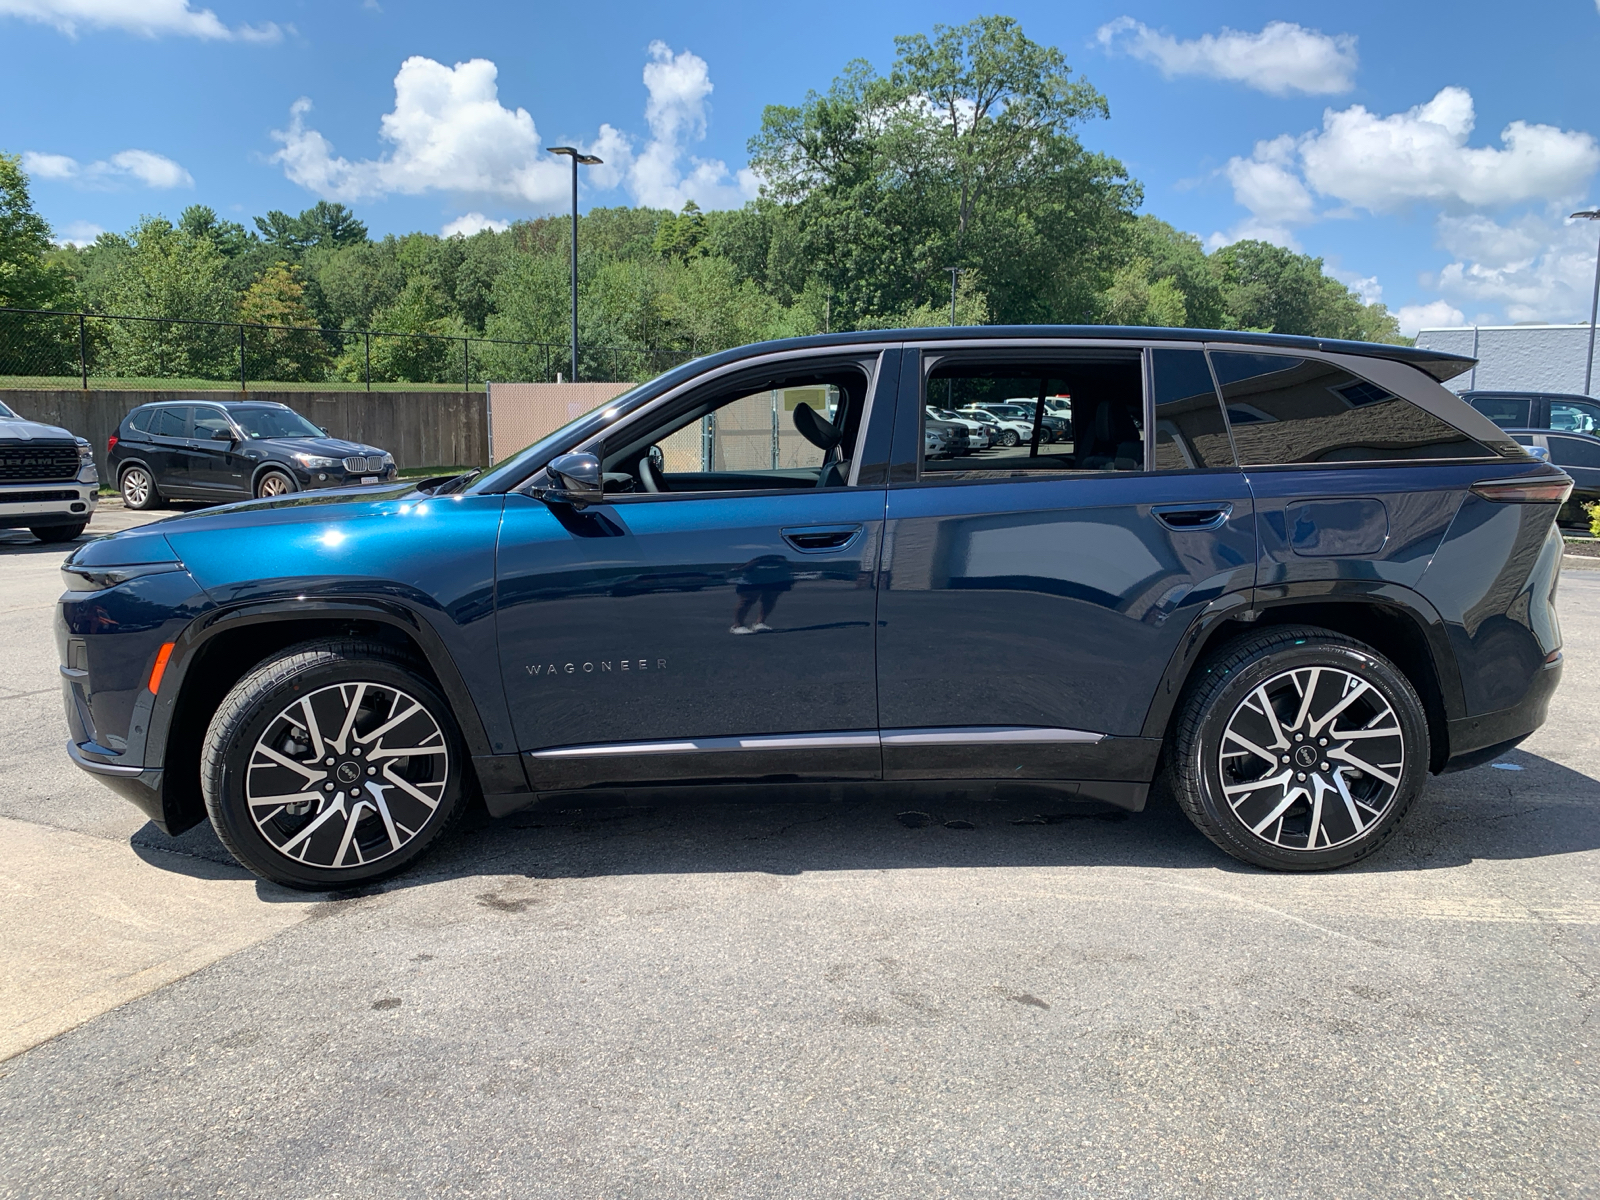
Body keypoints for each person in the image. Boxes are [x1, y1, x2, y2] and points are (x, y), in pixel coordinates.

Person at [729, 553, 793, 634]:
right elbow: (738, 568)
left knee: (770, 599)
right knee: (747, 600)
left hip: (777, 576)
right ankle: (738, 625)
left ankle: (760, 622)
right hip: (753, 578)